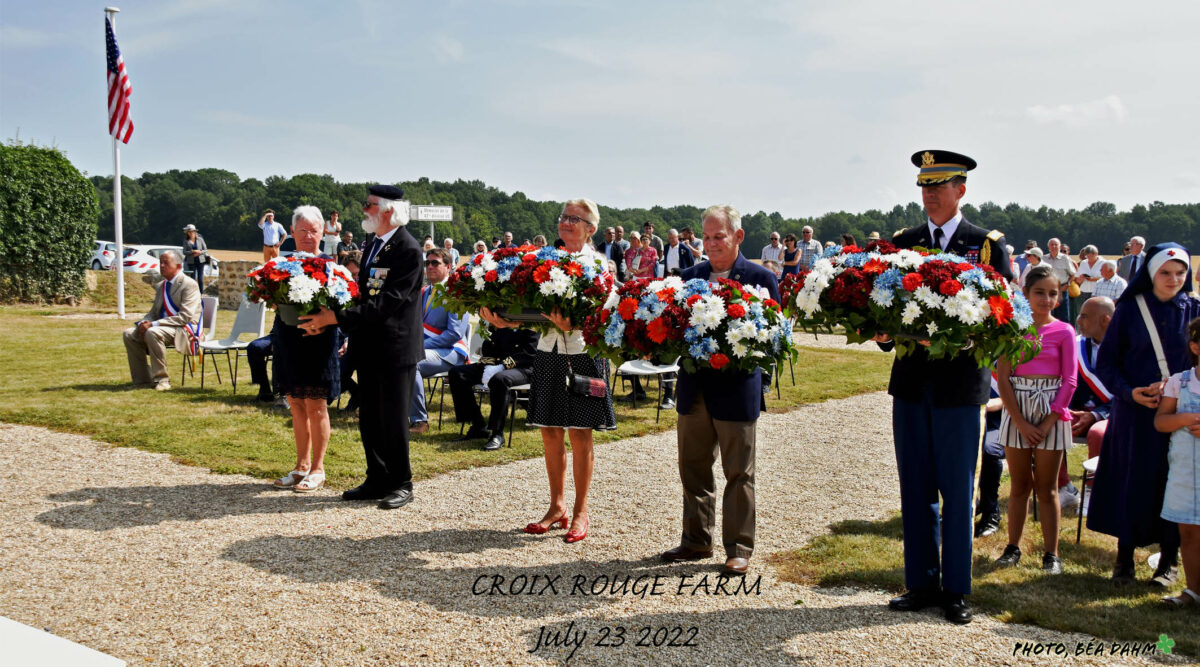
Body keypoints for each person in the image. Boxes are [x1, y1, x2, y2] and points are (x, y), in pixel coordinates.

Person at [882, 150, 1013, 625]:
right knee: (916, 486)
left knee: (958, 490)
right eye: (924, 186)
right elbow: (886, 305)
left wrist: (963, 337)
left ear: (961, 190)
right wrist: (882, 332)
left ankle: (956, 588)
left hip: (959, 386)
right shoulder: (905, 242)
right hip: (912, 383)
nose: (930, 195)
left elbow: (1003, 315)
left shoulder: (985, 245)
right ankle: (920, 582)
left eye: (939, 186)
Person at [479, 197, 615, 543]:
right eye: (563, 216)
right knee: (550, 432)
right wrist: (507, 320)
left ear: (591, 228)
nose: (566, 222)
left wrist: (576, 323)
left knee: (580, 434)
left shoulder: (599, 265)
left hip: (583, 354)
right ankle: (557, 507)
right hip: (548, 351)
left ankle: (581, 512)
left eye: (574, 218)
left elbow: (604, 316)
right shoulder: (544, 261)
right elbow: (534, 313)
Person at [661, 204, 780, 577]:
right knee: (692, 468)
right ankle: (696, 540)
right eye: (706, 237)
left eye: (719, 236)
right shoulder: (689, 277)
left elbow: (773, 339)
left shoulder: (760, 278)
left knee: (738, 472)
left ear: (738, 236)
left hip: (736, 389)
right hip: (694, 389)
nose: (711, 244)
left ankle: (739, 547)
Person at [298, 185, 424, 510]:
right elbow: (363, 294)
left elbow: (388, 303)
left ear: (387, 210)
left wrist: (335, 318)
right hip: (369, 345)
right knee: (369, 416)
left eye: (369, 205)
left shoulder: (407, 249)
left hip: (395, 348)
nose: (364, 210)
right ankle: (377, 477)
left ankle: (401, 482)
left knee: (393, 418)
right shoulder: (372, 243)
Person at [1089, 243, 1199, 585]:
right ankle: (1124, 559)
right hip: (1135, 414)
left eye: (1180, 272)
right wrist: (1130, 391)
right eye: (1165, 272)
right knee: (1132, 480)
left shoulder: (1195, 309)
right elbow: (1107, 363)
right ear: (1151, 273)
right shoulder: (1129, 309)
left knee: (1174, 482)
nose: (1173, 279)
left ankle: (1169, 561)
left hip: (1180, 414)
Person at [993, 264, 1078, 574]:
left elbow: (1070, 380)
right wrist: (1020, 422)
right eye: (1039, 292)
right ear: (1025, 294)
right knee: (1019, 486)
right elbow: (1003, 377)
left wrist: (1046, 424)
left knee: (1047, 487)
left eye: (1052, 293)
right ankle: (1012, 547)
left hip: (1051, 413)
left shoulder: (1065, 331)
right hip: (1017, 409)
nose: (1046, 299)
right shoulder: (1013, 329)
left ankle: (1051, 554)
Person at [269, 207, 341, 493]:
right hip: (288, 339)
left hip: (318, 342)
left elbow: (342, 307)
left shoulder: (332, 267)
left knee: (316, 405)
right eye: (303, 231)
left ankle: (318, 469)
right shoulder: (281, 266)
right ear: (292, 232)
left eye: (314, 231)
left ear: (323, 232)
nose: (308, 236)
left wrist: (323, 323)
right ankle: (301, 466)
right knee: (296, 404)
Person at [1153, 316, 1200, 608]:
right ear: (1195, 346)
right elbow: (1161, 422)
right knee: (1189, 531)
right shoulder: (1178, 382)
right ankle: (1194, 590)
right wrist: (1184, 418)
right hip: (1186, 472)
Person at [449, 324, 539, 450]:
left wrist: (503, 366)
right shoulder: (502, 317)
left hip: (522, 367)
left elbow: (530, 353)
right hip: (497, 364)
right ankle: (478, 425)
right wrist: (490, 365)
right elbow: (489, 343)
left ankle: (497, 434)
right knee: (457, 373)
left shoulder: (531, 320)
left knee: (500, 380)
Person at [409, 248, 469, 434]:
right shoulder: (424, 292)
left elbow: (454, 334)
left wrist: (419, 347)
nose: (430, 266)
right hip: (427, 349)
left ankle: (420, 421)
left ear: (449, 267)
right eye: (427, 263)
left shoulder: (456, 293)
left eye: (435, 263)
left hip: (451, 351)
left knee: (411, 363)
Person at [122, 249, 201, 391]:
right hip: (163, 327)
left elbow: (185, 317)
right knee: (129, 334)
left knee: (152, 332)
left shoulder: (189, 285)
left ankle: (162, 380)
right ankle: (142, 380)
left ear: (178, 266)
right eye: (160, 263)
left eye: (166, 263)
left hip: (185, 329)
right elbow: (154, 312)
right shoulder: (162, 286)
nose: (162, 266)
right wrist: (143, 323)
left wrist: (153, 324)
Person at [974, 381, 1005, 538]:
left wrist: (996, 402)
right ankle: (967, 506)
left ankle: (991, 513)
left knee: (988, 450)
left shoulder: (1008, 364)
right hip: (970, 416)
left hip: (1001, 422)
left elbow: (1018, 392)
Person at [1043, 238, 1076, 323]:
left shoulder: (1065, 258)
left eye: (1056, 245)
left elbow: (1073, 274)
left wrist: (1067, 284)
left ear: (1059, 247)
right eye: (1052, 245)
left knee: (1064, 316)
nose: (1054, 246)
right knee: (1048, 314)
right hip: (1048, 290)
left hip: (1062, 289)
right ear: (1048, 247)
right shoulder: (1044, 259)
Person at [1073, 245, 1103, 318]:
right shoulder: (1083, 263)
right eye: (1087, 256)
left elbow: (1106, 277)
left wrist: (1093, 279)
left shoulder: (1103, 263)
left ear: (1096, 254)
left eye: (1092, 256)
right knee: (1085, 312)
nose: (1089, 258)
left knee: (1096, 312)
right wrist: (1080, 279)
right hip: (1084, 291)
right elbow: (1077, 276)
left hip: (1098, 291)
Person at [181, 224, 209, 292]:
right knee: (192, 278)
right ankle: (193, 292)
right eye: (189, 232)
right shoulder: (186, 241)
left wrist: (199, 252)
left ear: (195, 232)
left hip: (200, 261)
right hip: (191, 261)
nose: (190, 233)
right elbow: (184, 252)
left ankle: (201, 292)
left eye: (192, 232)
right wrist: (193, 251)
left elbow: (205, 250)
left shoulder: (200, 239)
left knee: (200, 278)